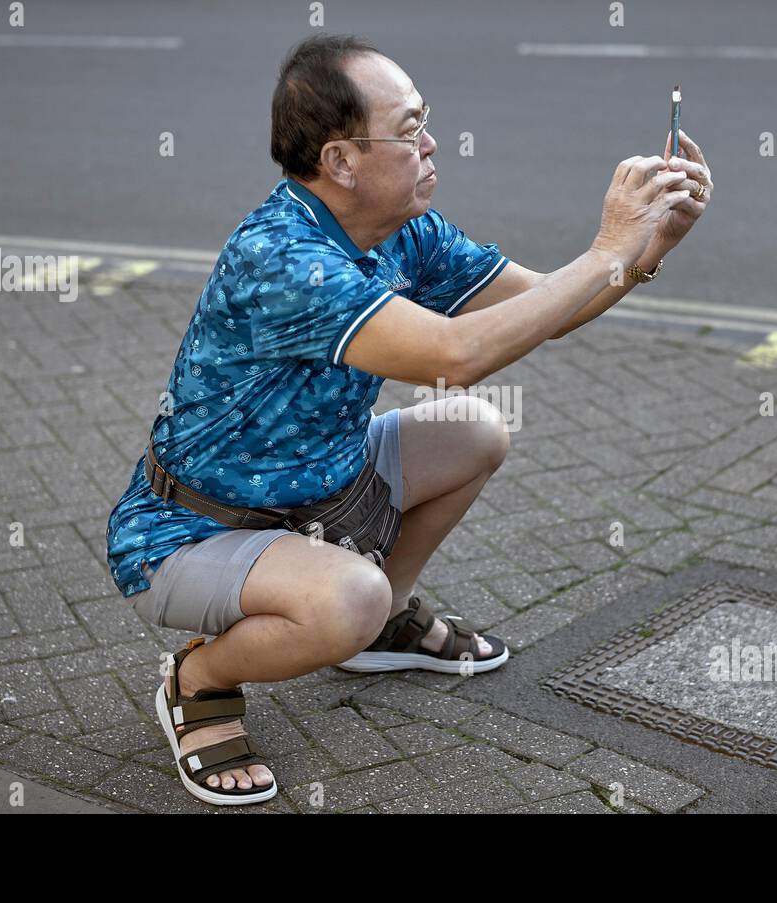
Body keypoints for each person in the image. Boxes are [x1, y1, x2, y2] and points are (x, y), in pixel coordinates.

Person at [105, 33, 712, 805]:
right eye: (409, 127)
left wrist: (648, 246)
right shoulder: (285, 258)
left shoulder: (405, 229)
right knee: (346, 599)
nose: (431, 144)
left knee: (475, 431)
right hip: (193, 533)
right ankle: (198, 680)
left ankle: (377, 627)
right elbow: (451, 355)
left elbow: (546, 310)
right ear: (341, 161)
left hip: (322, 498)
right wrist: (606, 249)